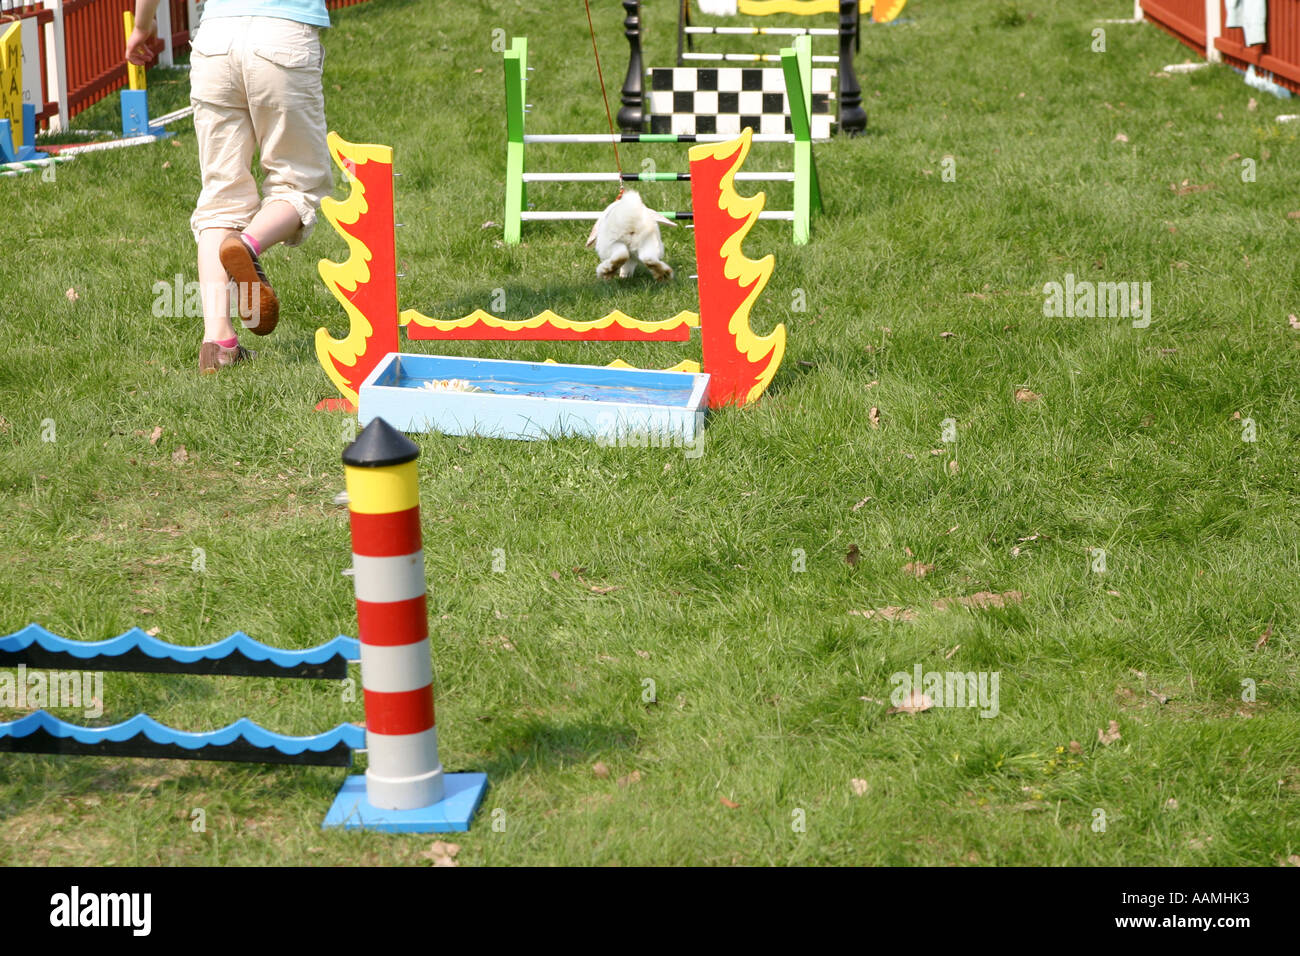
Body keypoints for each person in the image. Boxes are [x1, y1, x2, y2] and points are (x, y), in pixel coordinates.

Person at [125, 0, 333, 373]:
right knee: (297, 185)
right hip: (283, 36)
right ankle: (247, 245)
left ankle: (218, 345)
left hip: (216, 41)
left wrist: (143, 24)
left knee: (220, 199)